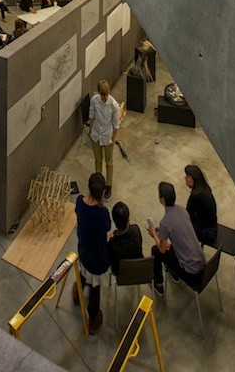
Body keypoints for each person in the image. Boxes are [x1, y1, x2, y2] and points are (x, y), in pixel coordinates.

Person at [148, 181, 205, 296]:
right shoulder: (182, 210)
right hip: (201, 264)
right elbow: (179, 234)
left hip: (190, 273)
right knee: (171, 246)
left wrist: (154, 233)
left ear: (162, 198)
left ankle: (158, 285)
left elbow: (162, 249)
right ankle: (173, 271)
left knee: (155, 251)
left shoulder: (165, 222)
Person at [73, 173, 110, 334]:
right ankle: (93, 318)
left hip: (83, 249)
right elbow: (107, 227)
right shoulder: (102, 213)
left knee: (83, 271)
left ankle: (78, 291)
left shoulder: (79, 202)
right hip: (97, 258)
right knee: (95, 289)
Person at [88, 79, 120, 200]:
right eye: (102, 95)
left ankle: (108, 185)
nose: (104, 98)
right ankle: (98, 184)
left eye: (106, 95)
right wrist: (91, 131)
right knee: (97, 160)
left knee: (109, 162)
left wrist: (112, 139)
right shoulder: (94, 100)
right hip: (96, 135)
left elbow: (116, 124)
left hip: (107, 137)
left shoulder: (114, 105)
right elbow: (91, 115)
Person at [184, 164, 218, 246]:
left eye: (188, 176)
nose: (185, 178)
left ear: (194, 179)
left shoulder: (196, 196)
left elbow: (188, 215)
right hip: (212, 227)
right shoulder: (204, 188)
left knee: (180, 228)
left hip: (207, 233)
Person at [108, 202, 143, 276]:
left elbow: (110, 259)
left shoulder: (112, 243)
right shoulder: (136, 229)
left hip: (121, 274)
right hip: (139, 268)